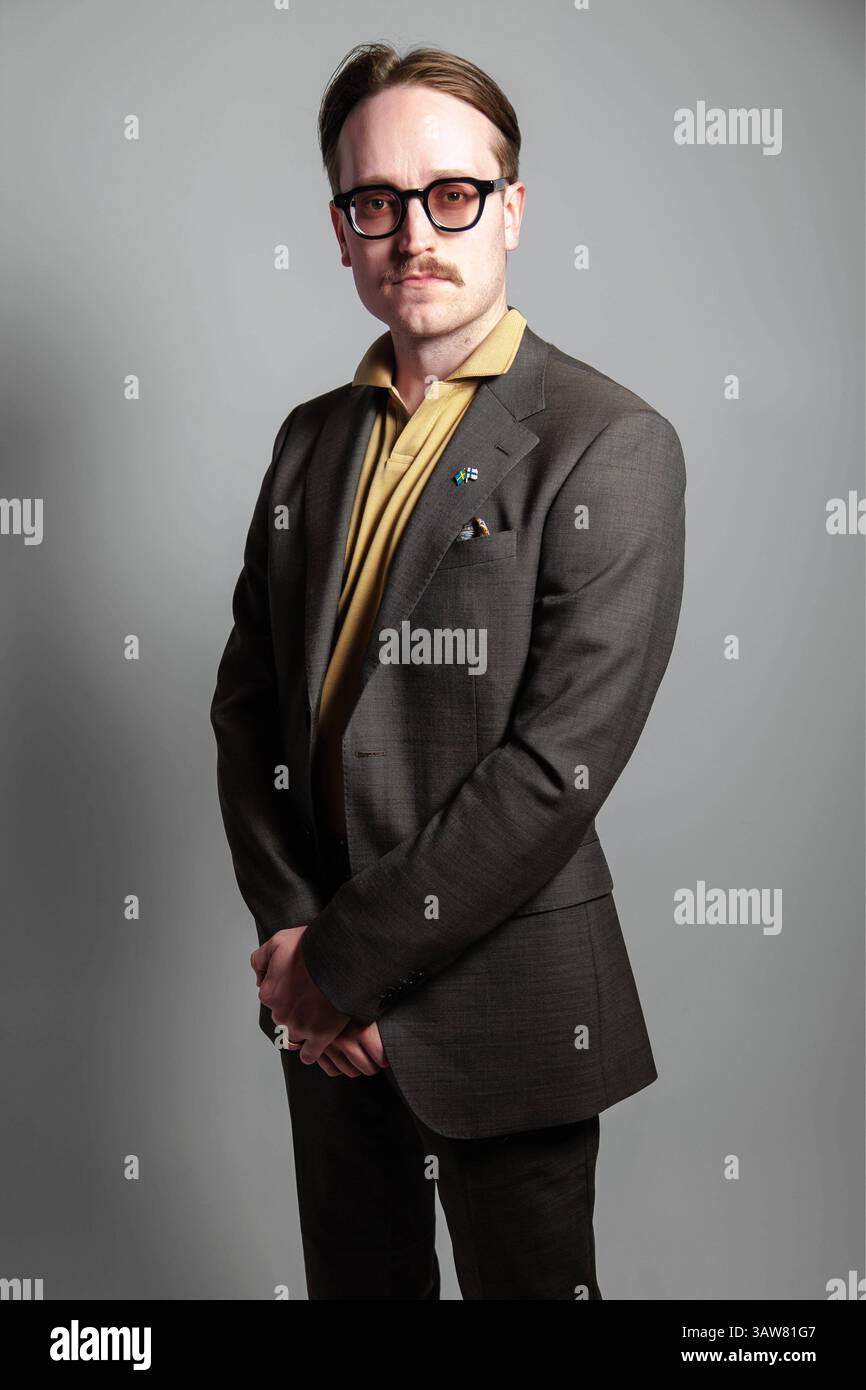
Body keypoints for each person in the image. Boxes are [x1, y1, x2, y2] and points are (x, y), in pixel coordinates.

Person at [210, 41, 686, 1301]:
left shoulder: (608, 441)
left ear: (512, 208)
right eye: (376, 203)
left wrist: (337, 967)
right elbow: (249, 707)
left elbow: (551, 770)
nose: (413, 233)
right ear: (341, 229)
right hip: (324, 1023)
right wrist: (291, 943)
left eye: (451, 195)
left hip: (506, 1016)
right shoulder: (308, 439)